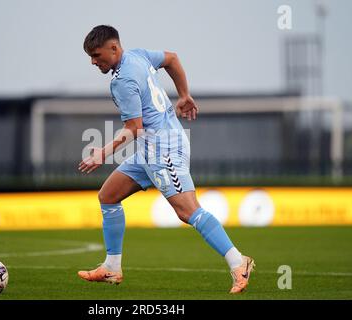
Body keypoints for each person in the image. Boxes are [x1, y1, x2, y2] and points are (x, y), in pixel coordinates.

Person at [77, 25, 255, 293]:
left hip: (164, 149)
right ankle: (112, 267)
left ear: (114, 48)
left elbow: (134, 127)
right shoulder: (138, 56)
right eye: (90, 56)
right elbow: (172, 58)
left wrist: (103, 152)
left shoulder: (122, 81)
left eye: (96, 55)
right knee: (108, 195)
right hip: (151, 148)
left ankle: (238, 262)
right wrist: (184, 95)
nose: (93, 61)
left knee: (187, 211)